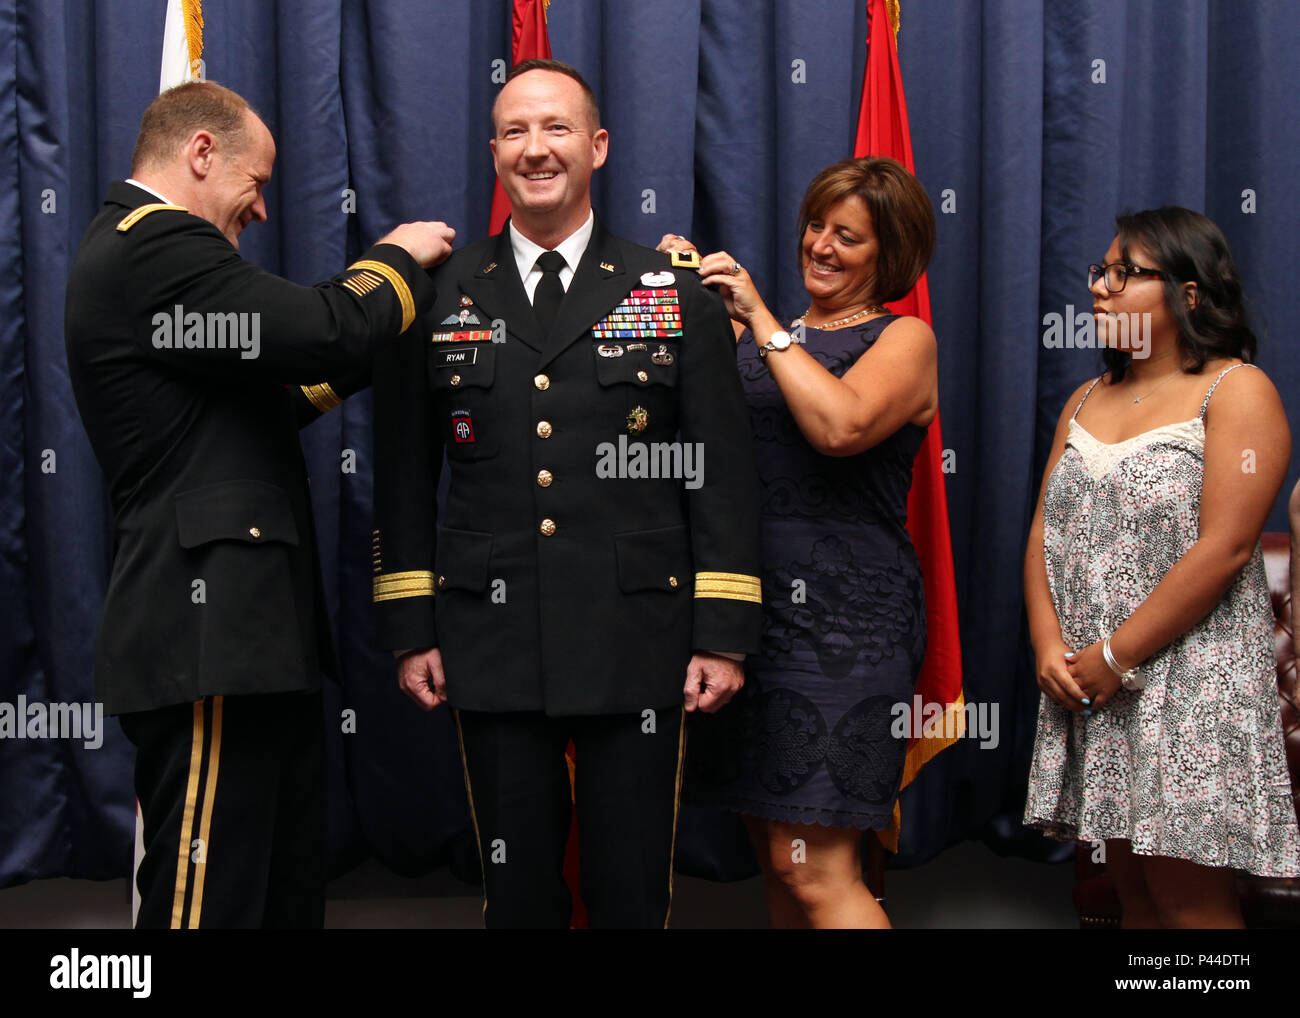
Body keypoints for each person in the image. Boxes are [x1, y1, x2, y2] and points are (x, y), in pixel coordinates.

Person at [370, 59, 762, 928]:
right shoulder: (437, 294)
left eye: (555, 129)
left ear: (599, 146)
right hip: (491, 637)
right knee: (517, 897)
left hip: (639, 635)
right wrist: (410, 627)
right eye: (514, 132)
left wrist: (724, 632)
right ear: (494, 153)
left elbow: (720, 474)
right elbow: (402, 475)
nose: (535, 150)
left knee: (630, 894)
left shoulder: (671, 293)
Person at [64, 80, 454, 928]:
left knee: (273, 890)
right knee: (206, 904)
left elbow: (276, 393)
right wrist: (394, 259)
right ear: (201, 153)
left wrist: (369, 338)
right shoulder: (151, 244)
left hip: (246, 638)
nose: (264, 210)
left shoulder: (153, 261)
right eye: (258, 180)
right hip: (206, 634)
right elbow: (318, 327)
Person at [660, 156, 938, 929]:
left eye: (846, 236)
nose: (820, 245)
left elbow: (840, 425)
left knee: (813, 866)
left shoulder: (904, 338)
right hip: (748, 621)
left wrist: (760, 318)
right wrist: (679, 307)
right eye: (816, 225)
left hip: (846, 629)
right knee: (774, 854)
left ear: (891, 253)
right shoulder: (760, 340)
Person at [1022, 206, 1300, 927]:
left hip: (1189, 685)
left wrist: (1116, 653)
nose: (1102, 289)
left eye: (1127, 273)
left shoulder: (1237, 389)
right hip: (1095, 686)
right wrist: (1052, 647)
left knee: (1189, 903)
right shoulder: (1086, 399)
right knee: (1133, 895)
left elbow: (1227, 547)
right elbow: (1045, 530)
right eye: (1100, 272)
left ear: (1191, 291)